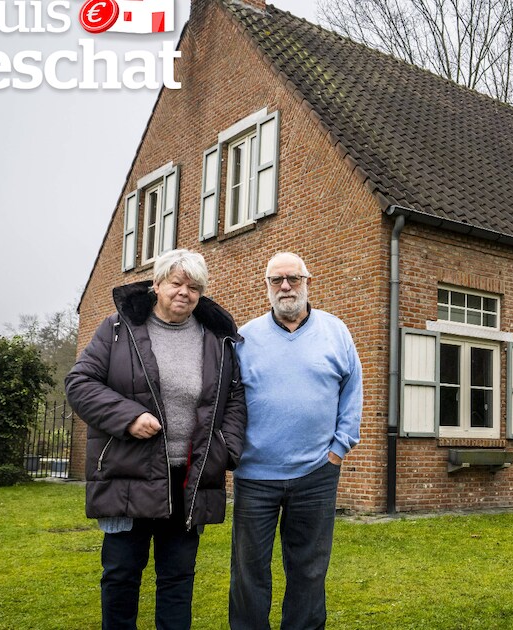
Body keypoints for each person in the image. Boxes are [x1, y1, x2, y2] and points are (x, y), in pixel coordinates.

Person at [66, 249, 246, 630]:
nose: (185, 292)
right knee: (121, 576)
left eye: (194, 287)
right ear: (158, 284)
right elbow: (80, 383)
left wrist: (225, 449)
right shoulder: (118, 329)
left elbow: (234, 398)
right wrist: (128, 417)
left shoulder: (217, 339)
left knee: (178, 580)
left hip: (188, 481)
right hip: (129, 476)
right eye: (177, 283)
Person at [229, 252, 362, 629]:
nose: (285, 286)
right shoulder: (246, 337)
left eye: (293, 278)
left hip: (316, 475)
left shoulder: (336, 332)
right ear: (266, 287)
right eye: (276, 280)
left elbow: (352, 393)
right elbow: (228, 399)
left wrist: (338, 451)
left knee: (308, 570)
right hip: (255, 475)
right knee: (248, 571)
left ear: (308, 281)